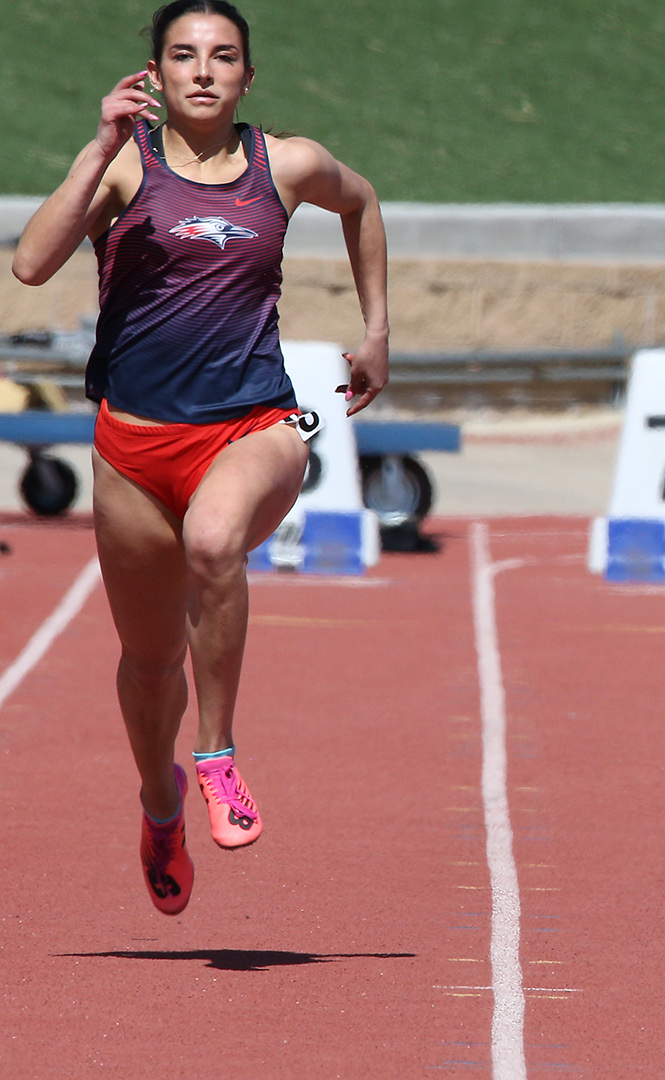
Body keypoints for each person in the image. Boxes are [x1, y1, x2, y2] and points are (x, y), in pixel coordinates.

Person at [10, 0, 388, 915]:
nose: (205, 71)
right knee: (146, 665)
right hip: (134, 447)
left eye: (224, 56)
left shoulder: (285, 163)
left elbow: (364, 201)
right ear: (157, 74)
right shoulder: (122, 168)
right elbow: (29, 264)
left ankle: (216, 756)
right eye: (184, 56)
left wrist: (378, 333)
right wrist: (96, 148)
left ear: (248, 77)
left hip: (251, 428)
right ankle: (160, 803)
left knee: (217, 544)